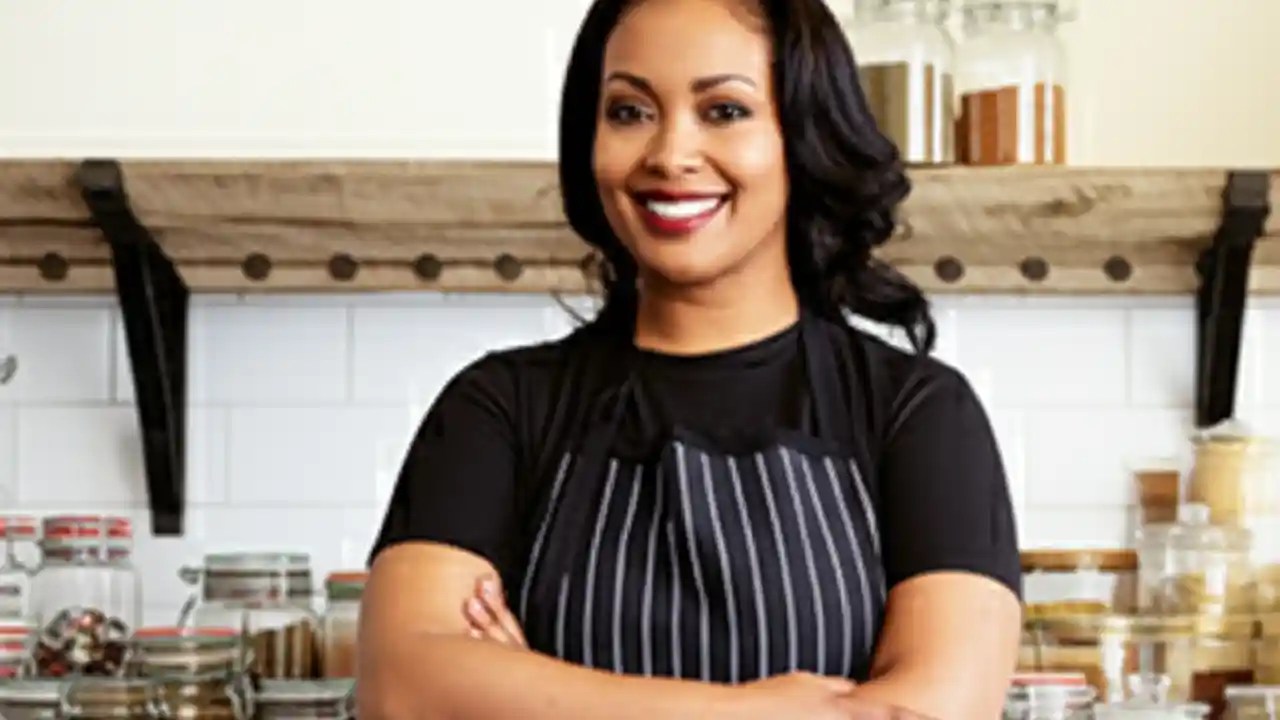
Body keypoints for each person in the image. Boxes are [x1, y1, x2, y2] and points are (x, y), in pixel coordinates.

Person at [357, 0, 1023, 717]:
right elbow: (404, 688)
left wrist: (531, 696)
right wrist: (773, 710)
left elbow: (934, 711)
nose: (670, 154)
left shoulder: (917, 412)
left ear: (803, 136)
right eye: (629, 111)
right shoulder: (499, 406)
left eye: (725, 111)